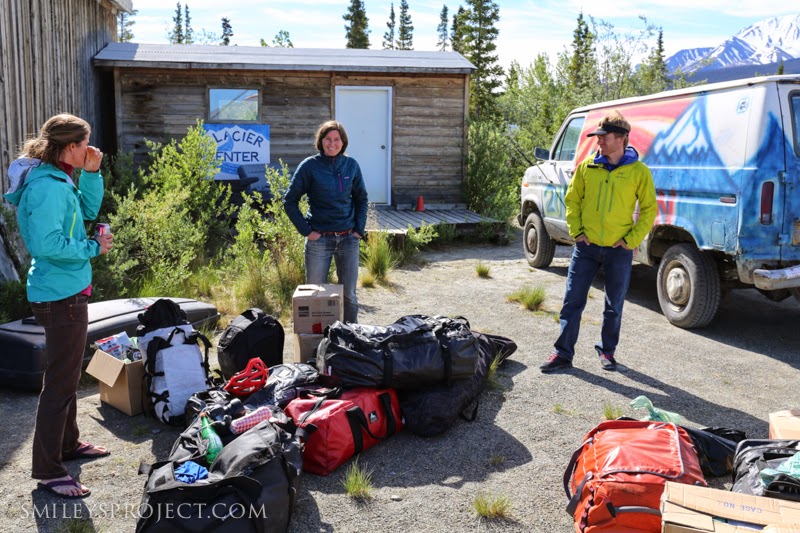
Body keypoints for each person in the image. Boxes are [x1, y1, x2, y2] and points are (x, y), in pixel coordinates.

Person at [3, 114, 113, 498]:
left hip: (66, 289)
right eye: (86, 144)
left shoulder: (59, 176)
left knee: (66, 376)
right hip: (59, 295)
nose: (90, 149)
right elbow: (47, 245)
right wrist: (92, 249)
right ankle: (48, 469)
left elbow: (84, 213)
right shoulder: (47, 187)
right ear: (70, 147)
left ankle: (68, 445)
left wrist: (93, 174)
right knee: (61, 384)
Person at [540, 110, 657, 373]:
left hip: (619, 250)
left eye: (604, 138)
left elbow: (649, 209)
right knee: (572, 301)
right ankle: (562, 354)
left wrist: (631, 239)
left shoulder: (639, 172)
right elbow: (572, 199)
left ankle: (607, 351)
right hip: (587, 247)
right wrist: (577, 231)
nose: (599, 142)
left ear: (621, 139)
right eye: (598, 138)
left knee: (614, 305)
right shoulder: (587, 167)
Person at [284, 120, 368, 323]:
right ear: (320, 142)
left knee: (349, 295)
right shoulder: (310, 166)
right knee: (313, 294)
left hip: (348, 239)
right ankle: (313, 340)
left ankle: (351, 338)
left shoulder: (351, 166)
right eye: (328, 139)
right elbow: (289, 201)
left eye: (336, 139)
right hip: (318, 241)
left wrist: (359, 229)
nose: (332, 144)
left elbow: (361, 198)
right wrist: (307, 231)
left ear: (343, 142)